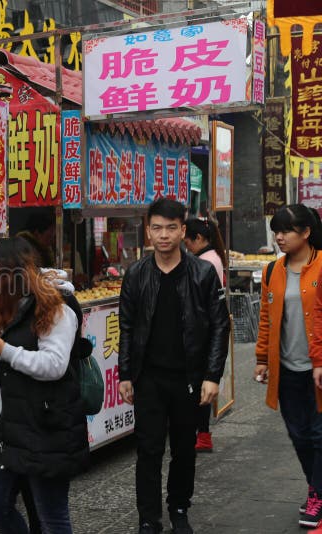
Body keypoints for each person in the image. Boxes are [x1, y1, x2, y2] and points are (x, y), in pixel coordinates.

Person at [119, 198, 230, 534]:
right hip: (149, 378)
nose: (163, 235)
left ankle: (179, 509)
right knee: (148, 450)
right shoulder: (137, 274)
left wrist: (212, 375)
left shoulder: (202, 272)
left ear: (183, 231)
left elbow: (218, 325)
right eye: (156, 228)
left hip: (189, 378)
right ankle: (148, 519)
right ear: (147, 231)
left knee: (184, 449)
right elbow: (126, 326)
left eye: (170, 228)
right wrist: (125, 374)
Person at [0, 237, 88, 534]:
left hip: (45, 428)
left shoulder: (57, 310)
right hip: (5, 429)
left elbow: (54, 365)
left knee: (51, 516)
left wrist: (3, 351)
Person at [256, 204, 322, 528]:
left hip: (318, 370)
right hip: (287, 369)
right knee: (298, 435)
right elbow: (266, 320)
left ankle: (317, 495)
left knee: (319, 434)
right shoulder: (272, 271)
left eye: (286, 231)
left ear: (306, 232)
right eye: (276, 230)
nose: (279, 237)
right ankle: (317, 488)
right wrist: (261, 359)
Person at [184, 217, 228, 452]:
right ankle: (202, 433)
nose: (187, 247)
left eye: (188, 242)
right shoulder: (211, 257)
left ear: (199, 239)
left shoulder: (206, 262)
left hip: (204, 331)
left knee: (199, 386)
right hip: (206, 329)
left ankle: (202, 434)